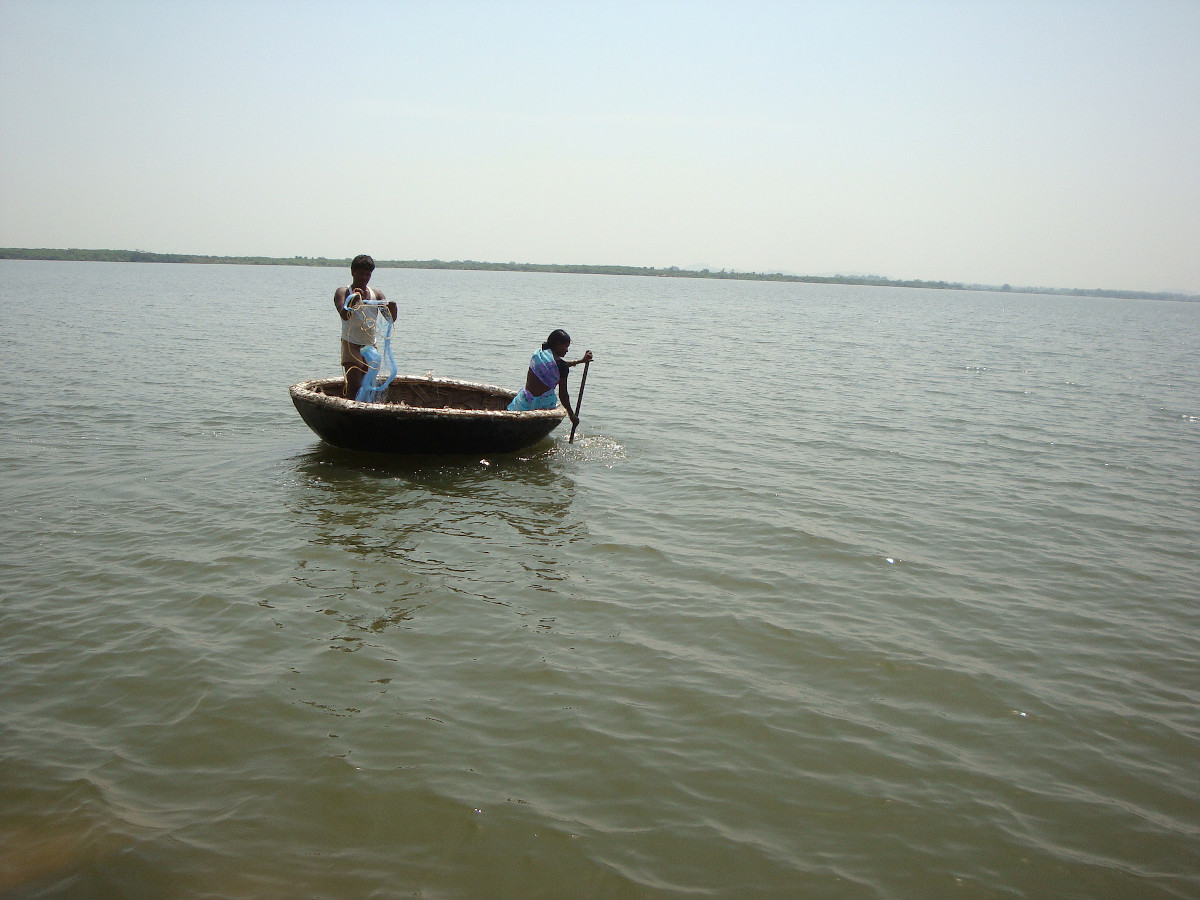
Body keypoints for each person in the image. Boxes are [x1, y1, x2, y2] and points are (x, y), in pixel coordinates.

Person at [333, 255, 398, 400]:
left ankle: (364, 413)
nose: (364, 277)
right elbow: (345, 315)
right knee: (354, 386)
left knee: (367, 386)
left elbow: (390, 319)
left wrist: (393, 308)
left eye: (368, 274)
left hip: (370, 347)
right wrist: (355, 298)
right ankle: (350, 416)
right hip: (351, 344)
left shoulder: (377, 294)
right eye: (361, 273)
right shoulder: (343, 292)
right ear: (352, 272)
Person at [508, 329, 593, 427]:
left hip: (524, 402)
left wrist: (580, 361)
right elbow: (563, 395)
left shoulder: (538, 355)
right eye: (566, 346)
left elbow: (555, 365)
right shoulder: (560, 366)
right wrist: (571, 415)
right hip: (544, 406)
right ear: (558, 344)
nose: (567, 350)